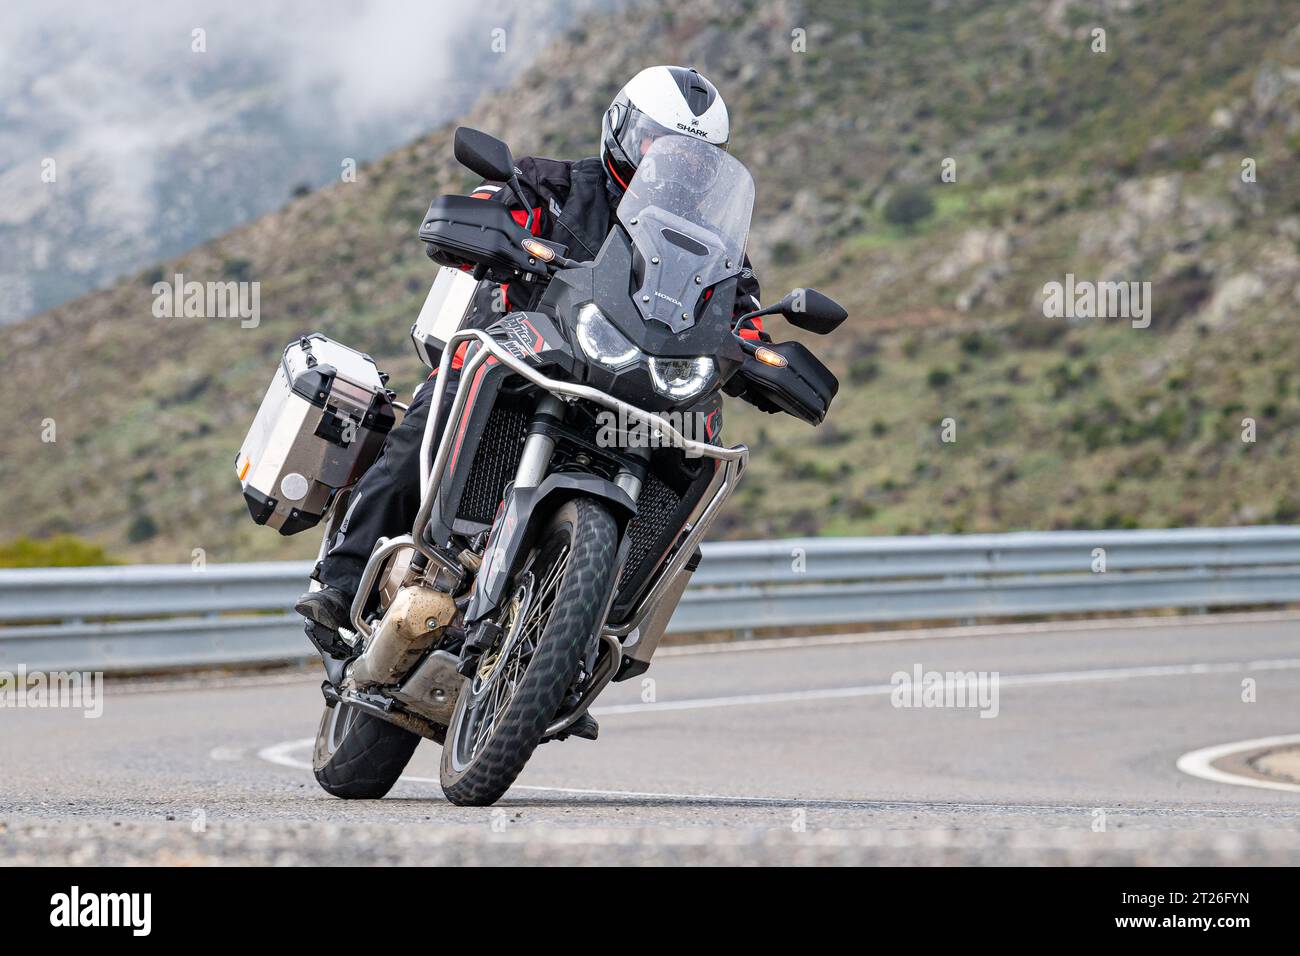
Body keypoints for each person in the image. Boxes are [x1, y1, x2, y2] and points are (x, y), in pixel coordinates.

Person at [296, 65, 767, 661]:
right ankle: (339, 579)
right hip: (533, 352)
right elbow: (499, 203)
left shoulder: (712, 245)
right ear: (623, 131)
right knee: (427, 415)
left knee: (688, 499)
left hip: (639, 394)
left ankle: (601, 639)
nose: (675, 165)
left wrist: (762, 350)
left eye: (697, 160)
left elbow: (742, 309)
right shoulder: (555, 185)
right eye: (658, 143)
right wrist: (494, 227)